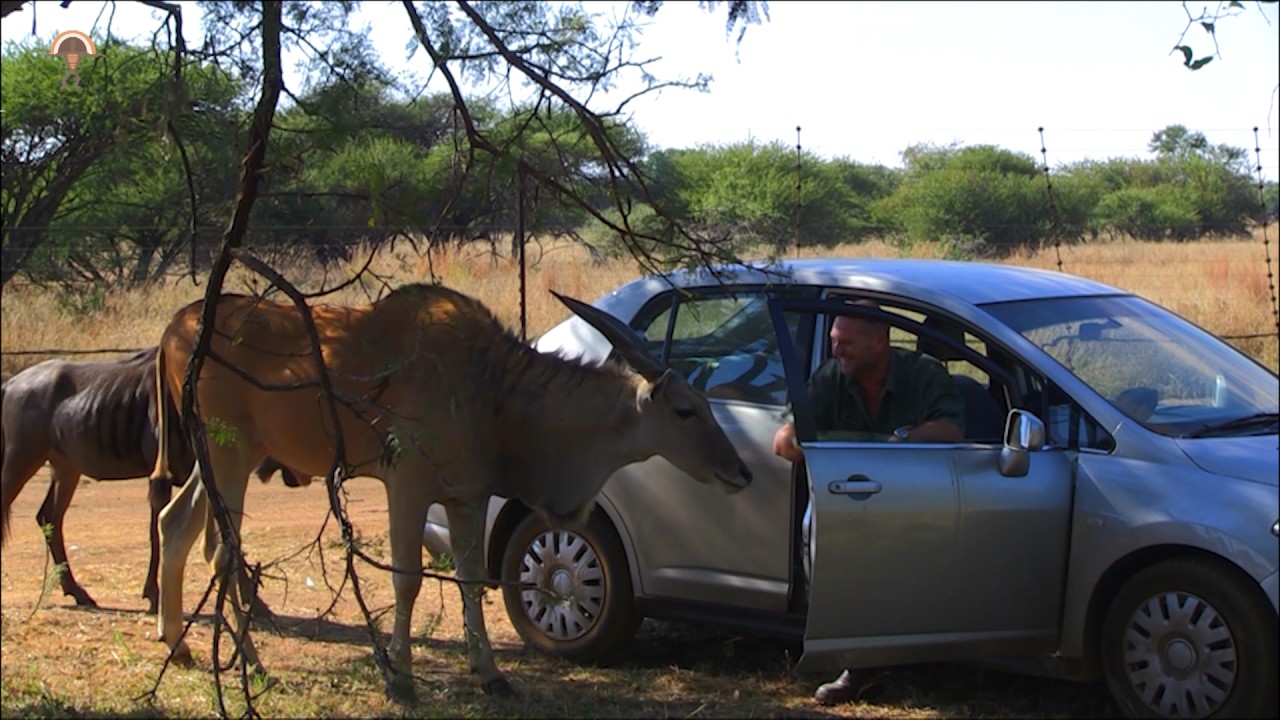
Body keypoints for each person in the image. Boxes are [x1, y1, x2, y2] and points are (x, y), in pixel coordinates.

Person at [771, 306, 964, 706]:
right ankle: (855, 664)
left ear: (880, 342)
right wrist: (794, 439)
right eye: (834, 342)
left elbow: (950, 429)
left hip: (919, 502)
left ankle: (935, 655)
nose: (838, 350)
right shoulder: (829, 377)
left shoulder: (924, 373)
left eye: (847, 343)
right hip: (852, 505)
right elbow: (785, 439)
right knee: (838, 560)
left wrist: (896, 446)